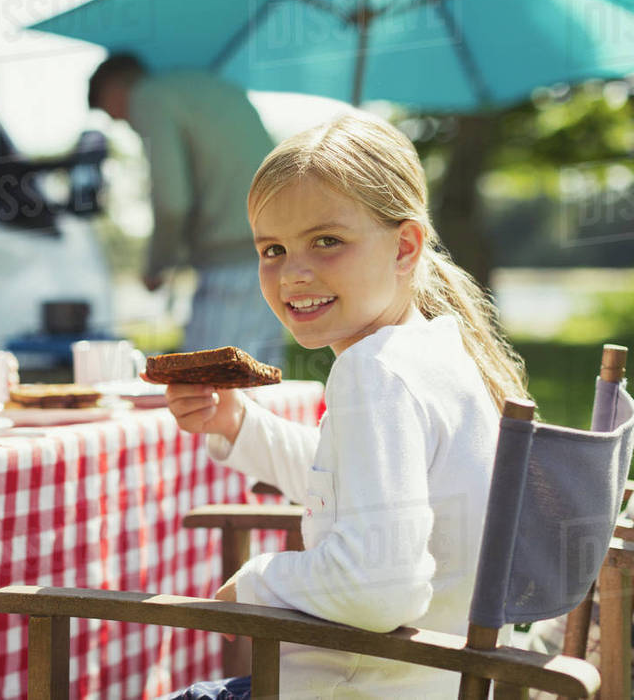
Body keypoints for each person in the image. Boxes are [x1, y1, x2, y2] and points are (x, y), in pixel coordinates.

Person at [161, 112, 529, 699]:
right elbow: (360, 484)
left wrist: (257, 579)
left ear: (405, 247)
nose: (294, 273)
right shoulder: (437, 350)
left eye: (326, 240)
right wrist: (240, 425)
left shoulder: (373, 372)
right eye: (273, 249)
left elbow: (379, 587)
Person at [88, 54, 282, 364]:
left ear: (114, 89)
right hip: (273, 252)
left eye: (111, 114)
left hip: (232, 264)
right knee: (263, 386)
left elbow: (172, 202)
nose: (121, 123)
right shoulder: (205, 88)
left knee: (210, 388)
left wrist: (155, 267)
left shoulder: (148, 96)